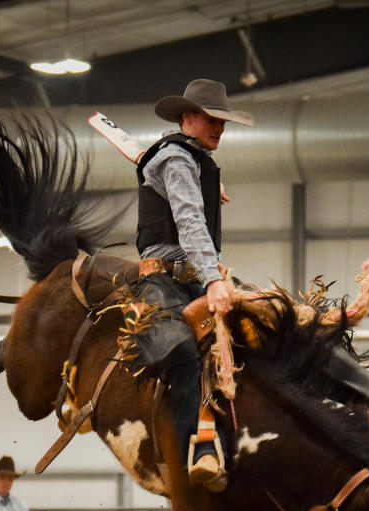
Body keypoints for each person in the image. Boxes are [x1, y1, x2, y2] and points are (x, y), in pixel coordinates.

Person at [132, 79, 253, 489]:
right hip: (166, 278)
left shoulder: (189, 160)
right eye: (212, 119)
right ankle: (197, 448)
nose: (220, 128)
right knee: (181, 349)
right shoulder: (178, 160)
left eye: (223, 121)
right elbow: (189, 224)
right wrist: (214, 278)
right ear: (188, 117)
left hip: (192, 277)